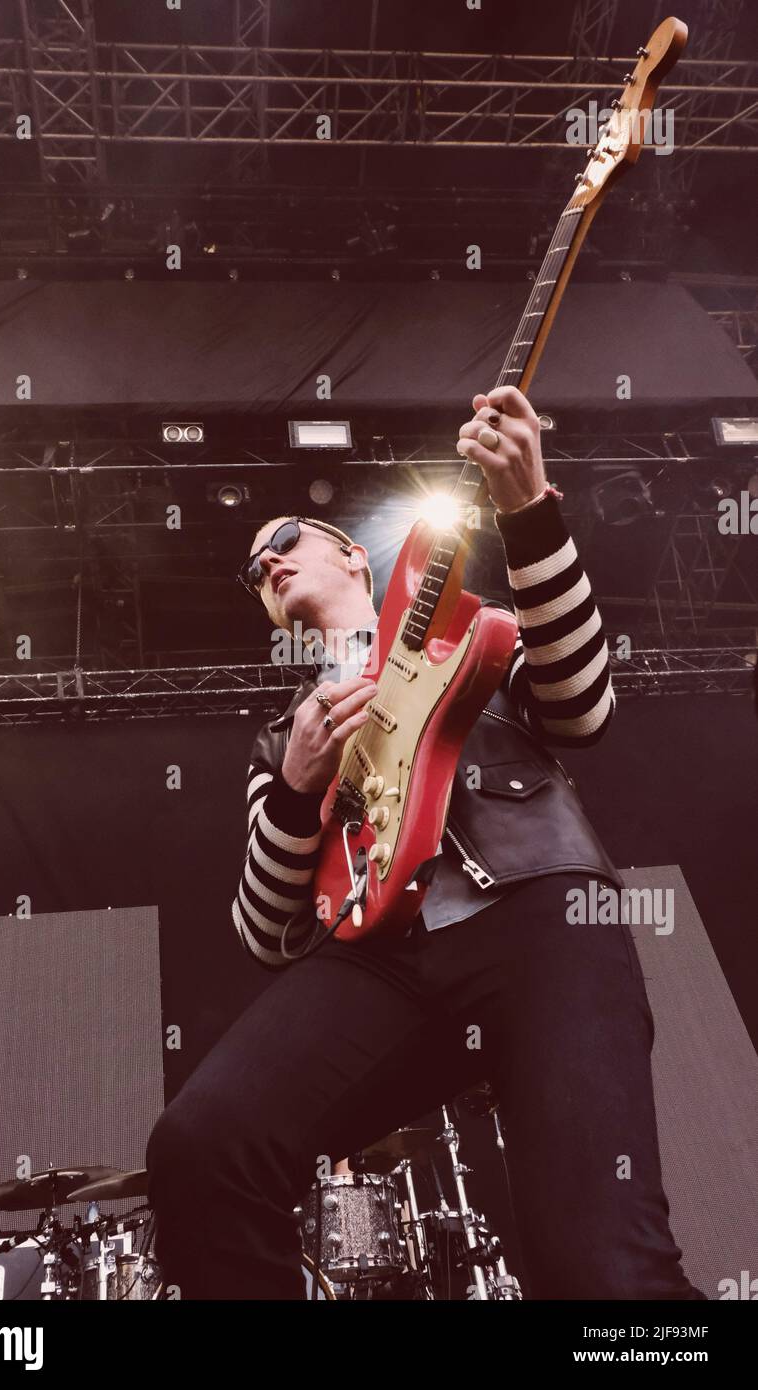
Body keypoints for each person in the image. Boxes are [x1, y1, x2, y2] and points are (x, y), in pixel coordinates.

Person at [147, 387, 706, 1300]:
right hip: (382, 959)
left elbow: (583, 706)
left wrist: (529, 511)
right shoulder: (278, 742)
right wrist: (295, 788)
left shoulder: (462, 628)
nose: (266, 563)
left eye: (284, 540)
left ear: (350, 554)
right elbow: (264, 932)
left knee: (603, 1271)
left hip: (538, 913)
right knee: (203, 1146)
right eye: (253, 571)